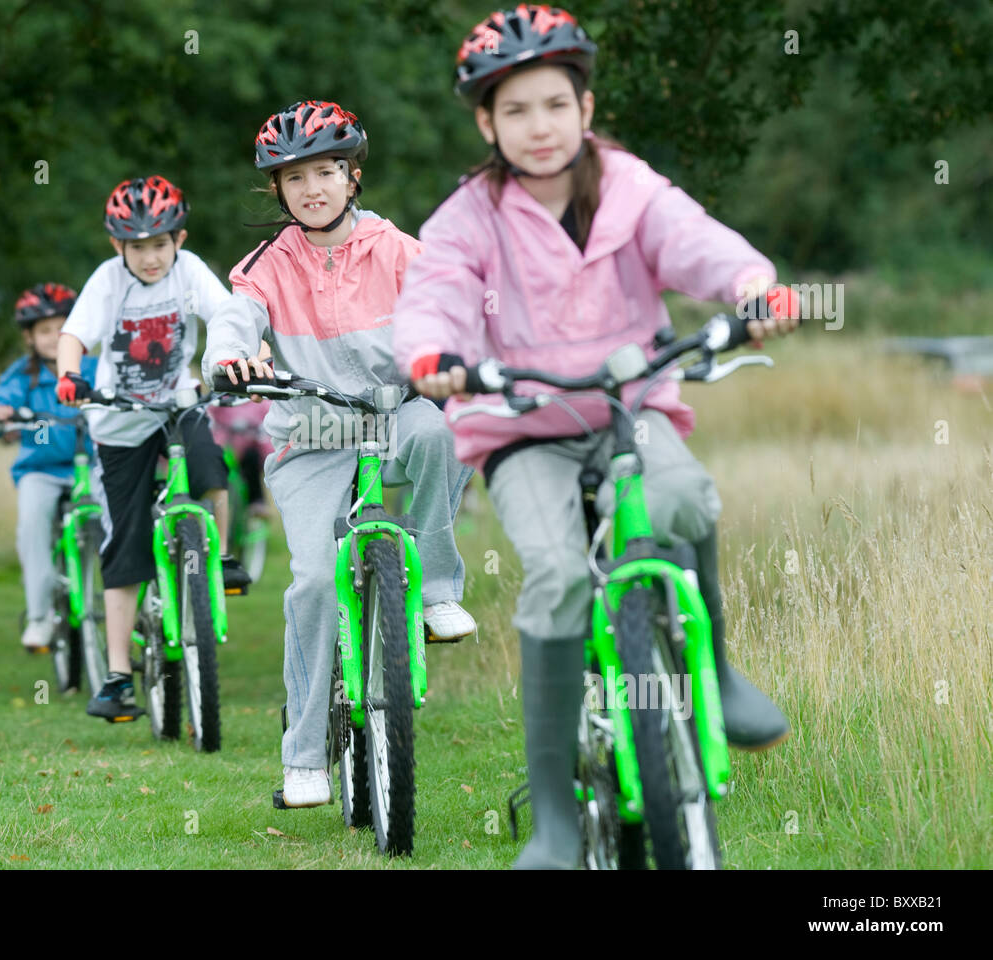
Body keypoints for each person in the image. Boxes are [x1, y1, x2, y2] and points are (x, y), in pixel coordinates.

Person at [393, 5, 798, 868]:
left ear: (584, 105)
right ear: (485, 122)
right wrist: (432, 353)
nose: (538, 127)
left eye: (553, 104)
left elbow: (698, 244)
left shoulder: (628, 185)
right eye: (515, 111)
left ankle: (716, 683)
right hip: (520, 427)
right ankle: (550, 819)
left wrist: (753, 287)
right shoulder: (470, 216)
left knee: (683, 494)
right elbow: (434, 292)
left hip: (628, 410)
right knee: (556, 574)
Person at [202, 100, 477, 809]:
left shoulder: (394, 247)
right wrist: (231, 355)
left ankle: (438, 590)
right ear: (279, 191)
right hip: (313, 437)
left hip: (394, 413)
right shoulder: (267, 264)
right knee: (315, 584)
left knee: (441, 434)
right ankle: (303, 759)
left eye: (326, 171)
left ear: (353, 176)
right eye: (294, 178)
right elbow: (237, 317)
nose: (312, 188)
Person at [56, 175, 251, 723]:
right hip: (118, 421)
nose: (149, 257)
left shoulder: (189, 272)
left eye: (159, 244)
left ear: (179, 239)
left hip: (176, 401)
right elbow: (74, 337)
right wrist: (69, 375)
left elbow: (230, 315)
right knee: (129, 541)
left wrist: (246, 353)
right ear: (118, 246)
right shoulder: (107, 282)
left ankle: (220, 557)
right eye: (136, 246)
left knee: (213, 467)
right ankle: (118, 677)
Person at [0, 283, 98, 651]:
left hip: (91, 466)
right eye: (45, 331)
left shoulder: (91, 367)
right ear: (29, 337)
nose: (54, 337)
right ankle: (39, 616)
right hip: (40, 471)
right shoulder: (22, 376)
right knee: (32, 529)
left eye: (63, 328)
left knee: (116, 517)